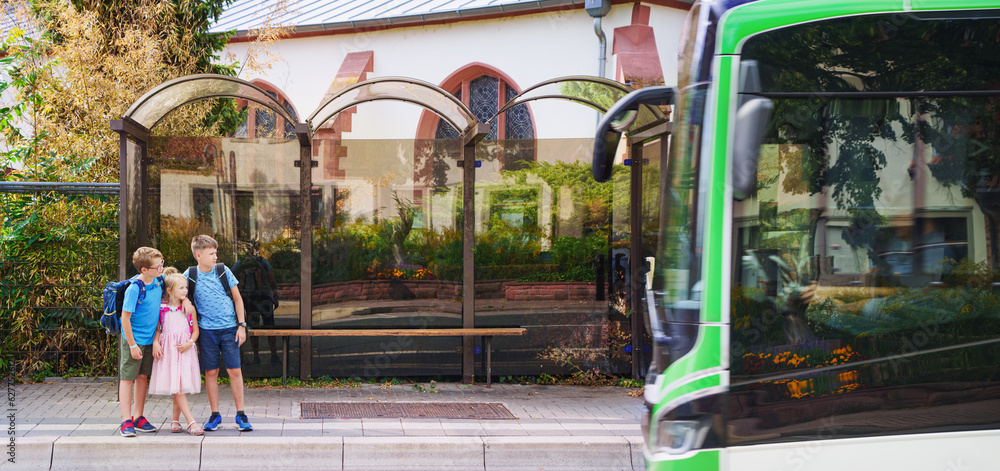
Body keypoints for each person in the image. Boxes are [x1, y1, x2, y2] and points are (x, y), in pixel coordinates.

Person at [186, 235, 252, 432]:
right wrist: (185, 300)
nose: (215, 257)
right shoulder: (190, 275)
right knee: (211, 372)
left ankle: (241, 414)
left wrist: (242, 326)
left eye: (216, 253)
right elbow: (177, 291)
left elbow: (238, 300)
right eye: (211, 254)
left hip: (230, 329)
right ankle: (215, 415)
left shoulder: (223, 271)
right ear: (199, 255)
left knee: (234, 370)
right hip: (207, 331)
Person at [148, 267, 204, 435]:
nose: (185, 290)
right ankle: (191, 422)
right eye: (181, 288)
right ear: (169, 290)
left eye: (186, 287)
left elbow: (196, 331)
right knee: (177, 386)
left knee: (178, 386)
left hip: (184, 351)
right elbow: (159, 329)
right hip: (168, 352)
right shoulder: (161, 308)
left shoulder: (189, 308)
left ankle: (175, 420)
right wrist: (155, 342)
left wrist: (190, 343)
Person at [117, 247, 164, 437]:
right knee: (128, 378)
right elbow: (125, 319)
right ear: (144, 269)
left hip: (149, 340)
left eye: (162, 264)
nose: (161, 268)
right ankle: (126, 420)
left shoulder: (159, 281)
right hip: (134, 340)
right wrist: (132, 345)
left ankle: (138, 416)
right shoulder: (134, 288)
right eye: (158, 266)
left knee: (143, 376)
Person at [233, 242, 280, 365]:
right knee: (270, 327)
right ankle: (274, 355)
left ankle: (256, 357)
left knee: (254, 327)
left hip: (249, 299)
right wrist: (275, 295)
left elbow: (231, 279)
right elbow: (271, 277)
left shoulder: (240, 263)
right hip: (264, 298)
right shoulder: (262, 261)